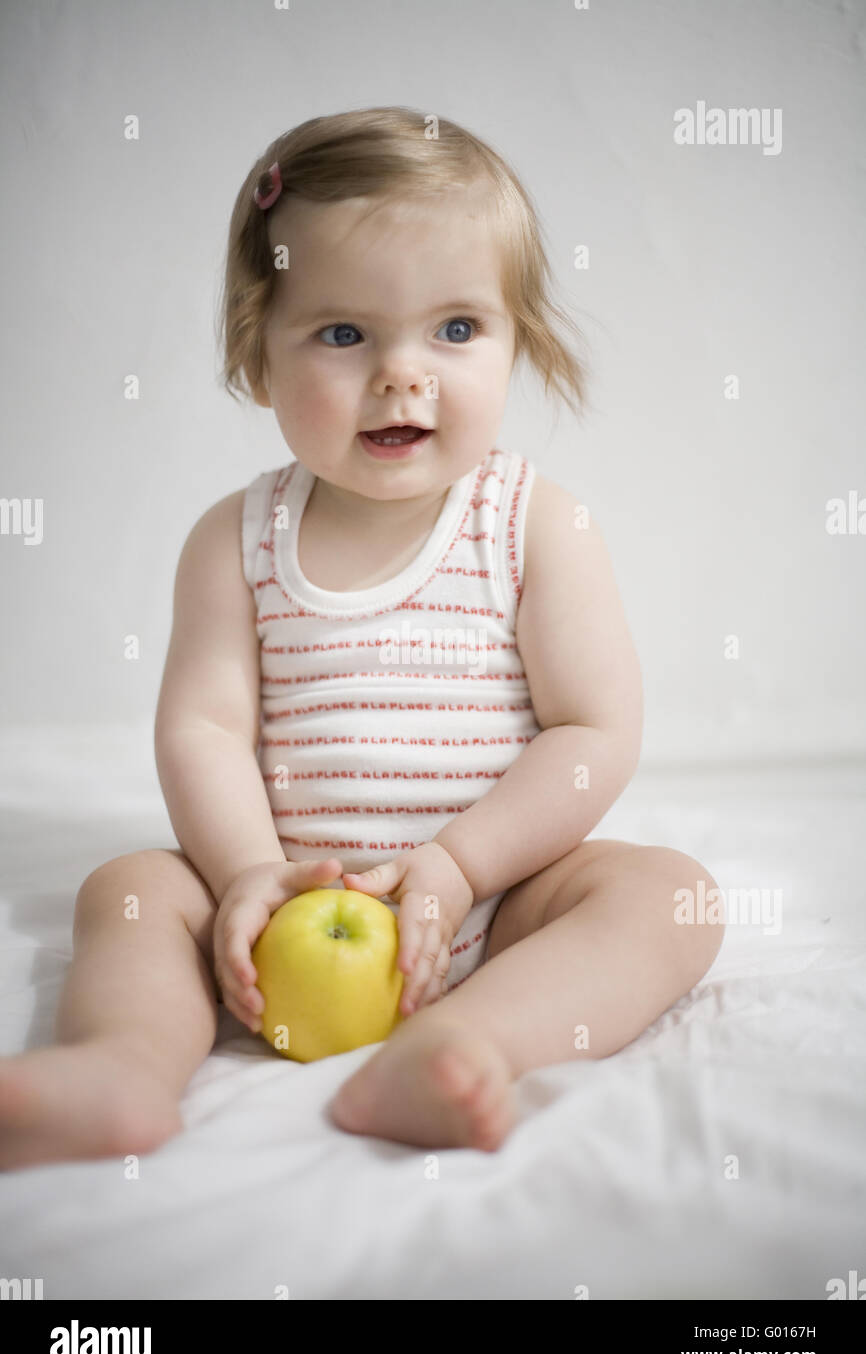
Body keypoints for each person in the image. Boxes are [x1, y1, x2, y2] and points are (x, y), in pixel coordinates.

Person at [0, 107, 725, 1168]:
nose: (400, 372)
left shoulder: (532, 524)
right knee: (128, 888)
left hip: (487, 909)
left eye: (455, 329)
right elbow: (203, 728)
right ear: (258, 352)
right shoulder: (235, 539)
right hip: (279, 905)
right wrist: (247, 874)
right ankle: (121, 1067)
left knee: (669, 893)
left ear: (517, 337)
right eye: (342, 334)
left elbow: (591, 733)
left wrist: (457, 865)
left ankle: (457, 1043)